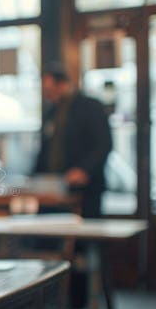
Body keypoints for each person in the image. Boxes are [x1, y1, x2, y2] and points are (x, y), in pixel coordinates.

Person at [34, 63, 112, 218]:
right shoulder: (51, 112)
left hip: (86, 187)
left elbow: (103, 145)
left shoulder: (90, 107)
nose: (47, 95)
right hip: (56, 187)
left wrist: (84, 170)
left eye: (49, 90)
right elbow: (45, 148)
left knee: (84, 235)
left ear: (62, 84)